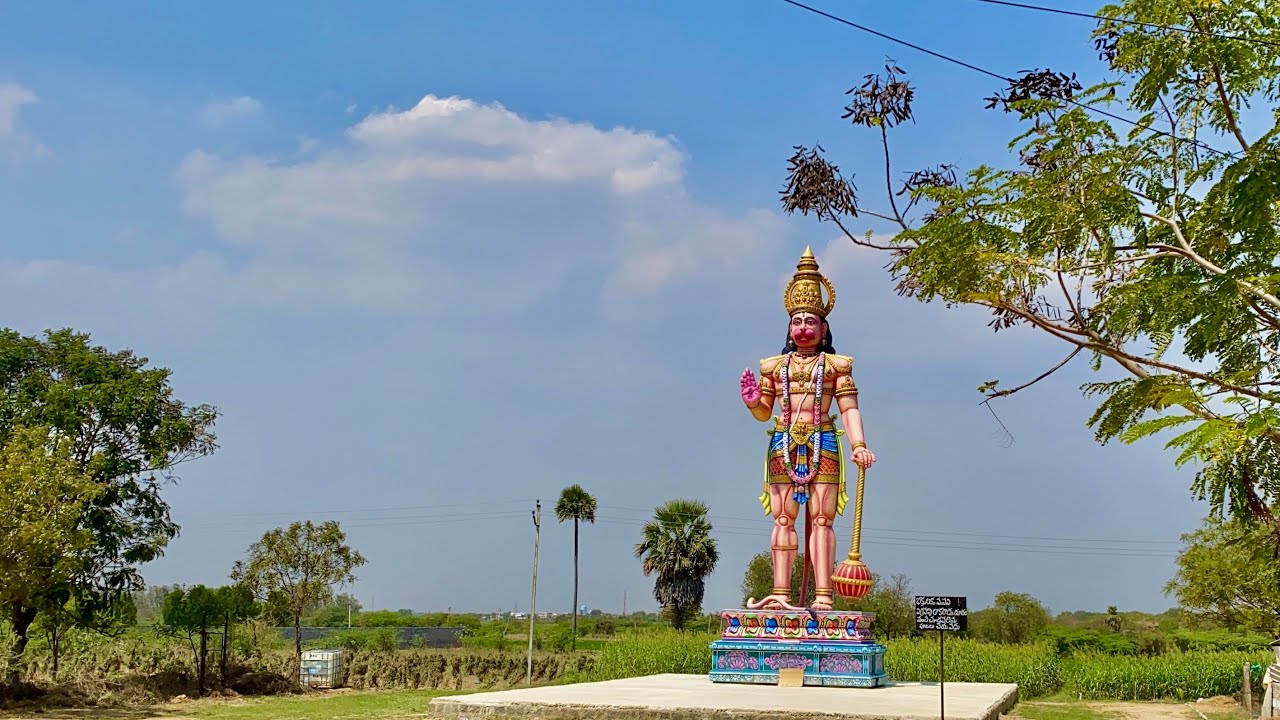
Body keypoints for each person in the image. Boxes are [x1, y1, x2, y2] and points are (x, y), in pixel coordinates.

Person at [739, 247, 876, 611]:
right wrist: (754, 400)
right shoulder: (774, 368)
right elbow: (765, 413)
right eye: (797, 321)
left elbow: (849, 408)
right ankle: (781, 594)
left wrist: (859, 444)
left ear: (824, 327)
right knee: (783, 517)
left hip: (825, 442)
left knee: (822, 520)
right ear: (788, 327)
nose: (803, 328)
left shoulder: (835, 367)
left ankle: (822, 596)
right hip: (784, 440)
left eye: (810, 321)